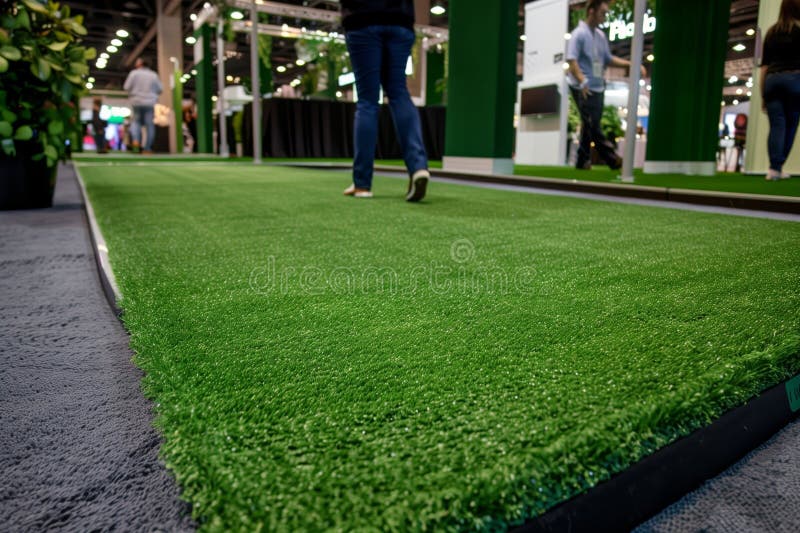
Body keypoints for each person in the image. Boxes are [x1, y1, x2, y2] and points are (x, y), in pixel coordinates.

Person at [340, 0, 430, 201]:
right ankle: (418, 167)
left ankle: (362, 183)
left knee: (367, 101)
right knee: (399, 93)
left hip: (362, 18)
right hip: (400, 19)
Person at [566, 0, 647, 170]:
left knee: (589, 124)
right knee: (592, 123)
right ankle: (612, 159)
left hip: (598, 86)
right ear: (592, 11)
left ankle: (582, 160)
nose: (604, 16)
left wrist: (631, 64)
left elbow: (608, 59)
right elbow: (572, 60)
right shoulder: (578, 34)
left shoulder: (601, 36)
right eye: (602, 13)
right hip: (583, 87)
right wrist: (582, 80)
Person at [760, 0, 800, 181]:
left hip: (772, 81)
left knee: (777, 125)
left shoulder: (771, 32)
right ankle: (778, 166)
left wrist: (763, 94)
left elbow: (764, 67)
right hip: (794, 80)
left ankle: (773, 170)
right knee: (790, 125)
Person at [123, 58, 162, 154]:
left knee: (136, 122)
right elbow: (160, 89)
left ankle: (136, 141)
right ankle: (148, 148)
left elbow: (126, 87)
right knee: (149, 124)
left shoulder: (134, 73)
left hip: (137, 101)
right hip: (150, 102)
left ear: (140, 63)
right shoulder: (154, 75)